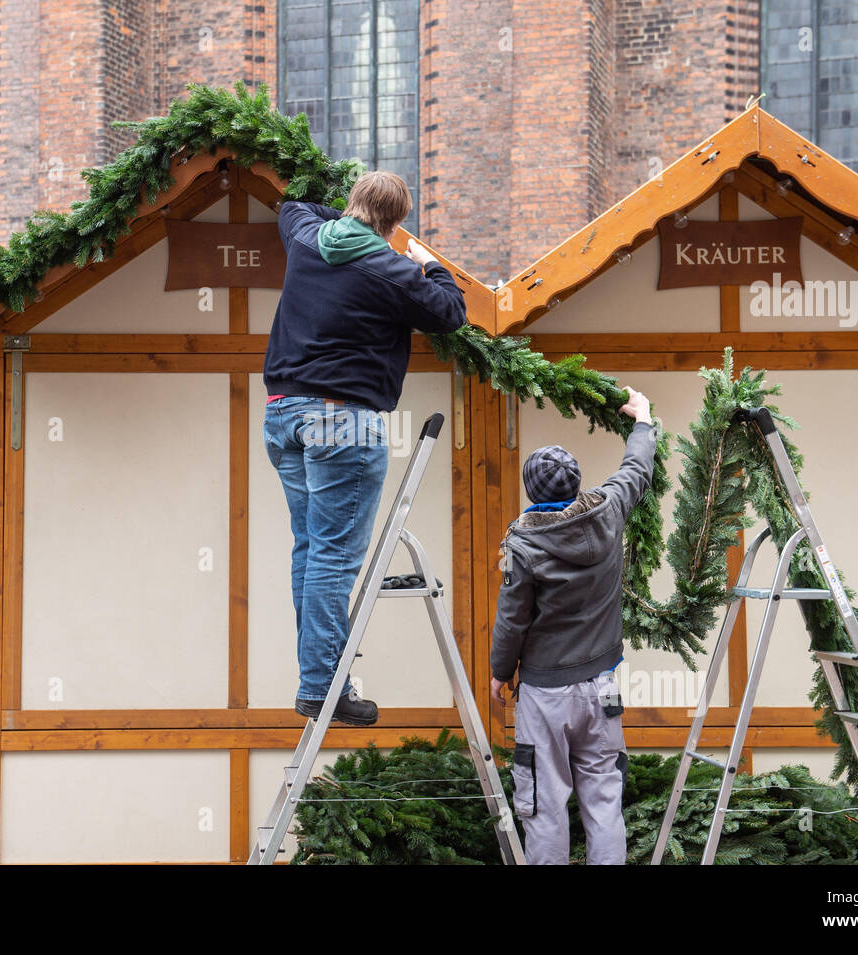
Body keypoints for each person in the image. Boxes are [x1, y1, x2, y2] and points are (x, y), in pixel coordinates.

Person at [262, 170, 467, 726]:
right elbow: (451, 313)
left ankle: (316, 681)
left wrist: (352, 218)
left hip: (282, 414)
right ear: (397, 222)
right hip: (341, 421)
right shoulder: (391, 268)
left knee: (309, 551)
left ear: (351, 203)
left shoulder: (304, 235)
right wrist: (428, 262)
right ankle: (324, 687)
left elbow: (294, 204)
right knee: (332, 557)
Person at [489, 387, 657, 864]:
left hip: (545, 695)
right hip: (601, 688)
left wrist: (501, 671)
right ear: (575, 482)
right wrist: (642, 417)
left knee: (544, 804)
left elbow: (512, 619)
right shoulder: (609, 510)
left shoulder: (523, 545)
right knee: (604, 801)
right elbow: (637, 468)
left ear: (531, 491)